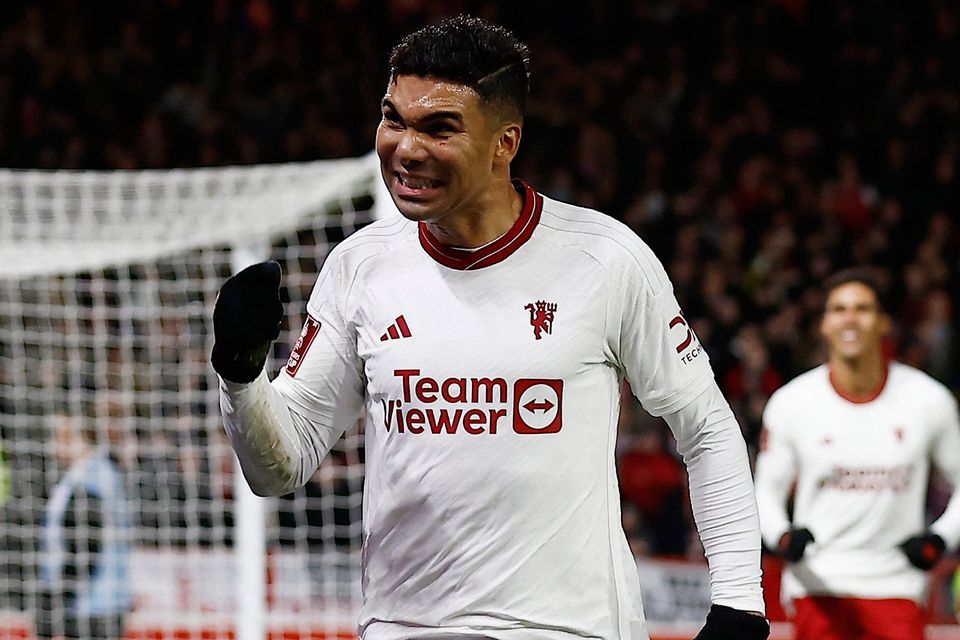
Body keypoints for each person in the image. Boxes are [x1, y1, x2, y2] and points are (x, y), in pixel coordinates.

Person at [213, 15, 768, 640]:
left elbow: (707, 427)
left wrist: (739, 603)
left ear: (505, 143)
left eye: (439, 128)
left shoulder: (604, 259)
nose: (406, 148)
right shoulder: (359, 267)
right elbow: (279, 467)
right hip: (405, 630)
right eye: (394, 119)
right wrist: (240, 374)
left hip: (570, 630)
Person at [754, 267, 960, 640]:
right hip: (817, 588)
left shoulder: (929, 401)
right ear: (824, 325)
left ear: (884, 323)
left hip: (897, 588)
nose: (850, 318)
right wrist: (782, 536)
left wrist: (940, 538)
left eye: (862, 308)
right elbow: (766, 490)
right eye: (839, 309)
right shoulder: (792, 402)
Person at [37, 412, 133, 640]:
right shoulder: (105, 473)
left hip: (90, 606)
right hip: (107, 601)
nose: (53, 446)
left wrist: (60, 600)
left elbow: (86, 547)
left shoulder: (88, 480)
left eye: (59, 437)